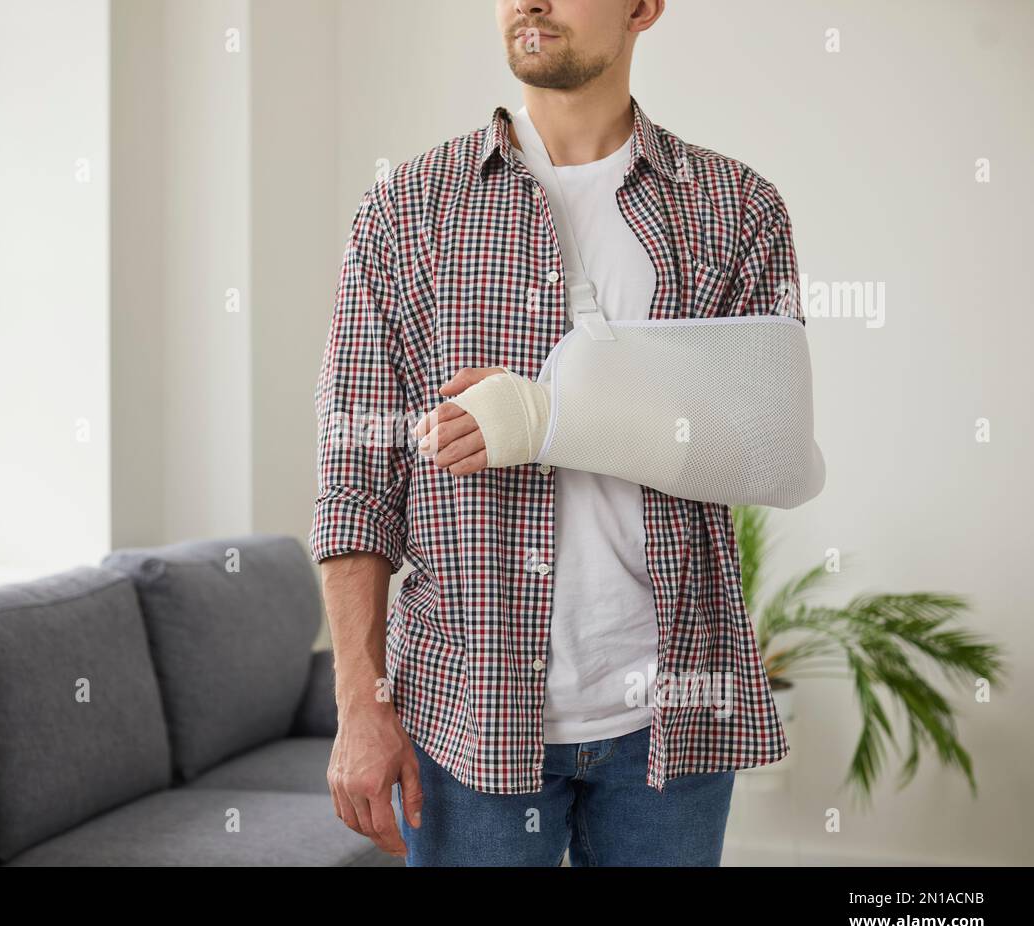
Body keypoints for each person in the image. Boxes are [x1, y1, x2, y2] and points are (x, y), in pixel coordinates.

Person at [309, 0, 812, 867]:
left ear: (643, 9)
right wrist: (361, 704)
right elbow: (356, 480)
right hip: (465, 715)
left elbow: (769, 448)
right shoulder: (406, 210)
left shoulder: (738, 209)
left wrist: (547, 421)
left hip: (669, 719)